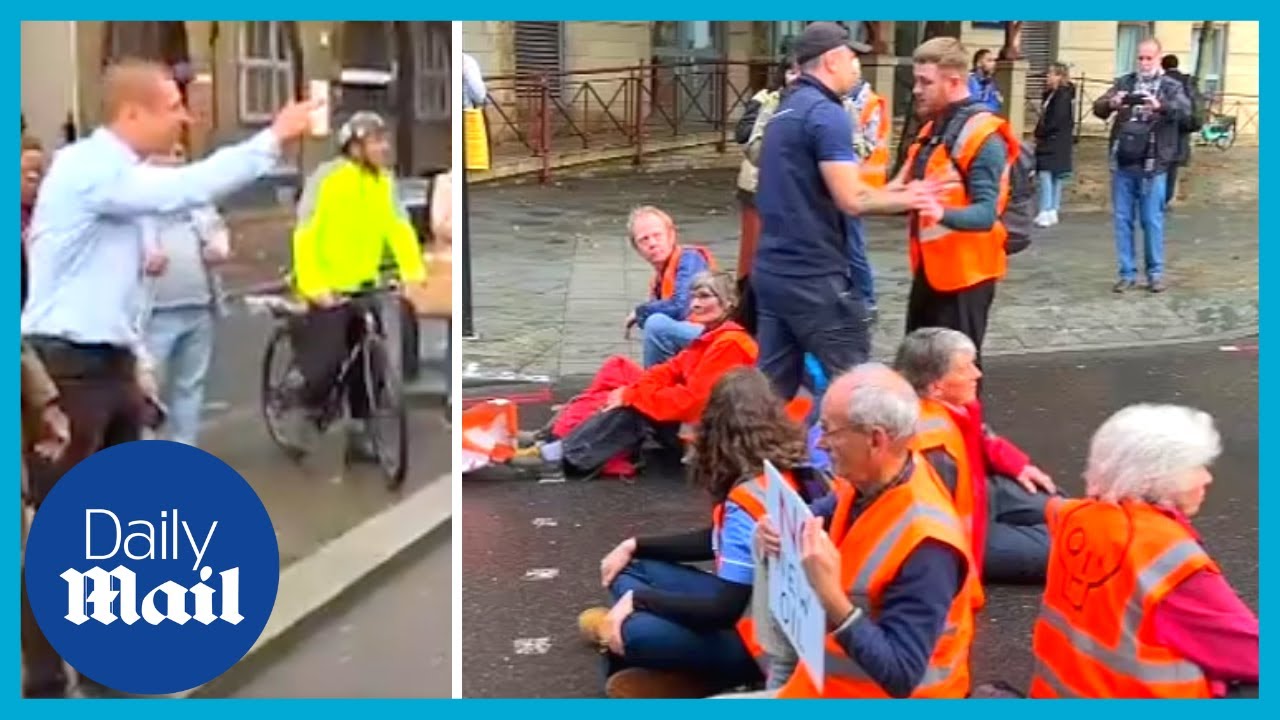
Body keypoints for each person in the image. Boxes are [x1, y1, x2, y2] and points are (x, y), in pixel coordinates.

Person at [19, 57, 317, 699]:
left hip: (109, 365)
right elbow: (185, 190)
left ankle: (105, 661)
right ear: (132, 114)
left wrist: (138, 366)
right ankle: (42, 680)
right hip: (66, 368)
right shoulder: (89, 169)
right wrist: (274, 137)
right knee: (58, 525)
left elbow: (118, 292)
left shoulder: (120, 178)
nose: (184, 117)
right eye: (171, 106)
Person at [577, 367, 830, 698]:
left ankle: (696, 673)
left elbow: (721, 610)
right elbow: (717, 538)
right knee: (629, 565)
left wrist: (638, 601)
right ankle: (643, 653)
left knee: (638, 631)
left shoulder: (746, 496)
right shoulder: (787, 469)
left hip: (760, 642)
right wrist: (635, 544)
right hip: (771, 619)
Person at [759, 363, 981, 699]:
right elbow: (834, 507)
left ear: (875, 439)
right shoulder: (877, 475)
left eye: (830, 431)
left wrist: (832, 598)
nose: (820, 444)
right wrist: (789, 525)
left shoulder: (929, 547)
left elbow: (901, 673)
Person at [752, 22, 938, 403]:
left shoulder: (784, 112)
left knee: (772, 391)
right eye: (854, 58)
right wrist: (913, 197)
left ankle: (755, 459)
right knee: (858, 392)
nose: (858, 67)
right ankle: (841, 459)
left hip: (773, 273)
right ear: (833, 60)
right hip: (815, 279)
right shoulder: (827, 113)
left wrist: (891, 190)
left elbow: (814, 192)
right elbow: (851, 200)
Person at [1029, 404, 1258, 698]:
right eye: (1195, 467)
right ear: (1157, 477)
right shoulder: (1168, 558)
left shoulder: (1076, 516)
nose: (1207, 479)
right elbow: (1249, 651)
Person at [517, 271, 755, 480]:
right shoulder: (710, 337)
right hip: (697, 425)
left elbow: (692, 402)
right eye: (693, 297)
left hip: (712, 438)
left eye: (704, 296)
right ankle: (552, 438)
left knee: (633, 408)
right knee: (622, 377)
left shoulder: (730, 344)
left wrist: (632, 396)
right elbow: (667, 370)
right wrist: (631, 391)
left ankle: (559, 456)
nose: (694, 304)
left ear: (729, 302)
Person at [289, 111, 427, 459]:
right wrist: (313, 285)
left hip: (367, 285)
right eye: (376, 141)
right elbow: (305, 233)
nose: (385, 147)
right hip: (328, 287)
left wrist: (412, 272)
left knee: (370, 362)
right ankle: (307, 412)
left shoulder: (384, 182)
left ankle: (360, 432)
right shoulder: (326, 179)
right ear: (353, 146)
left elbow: (399, 228)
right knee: (327, 362)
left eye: (385, 140)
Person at [893, 327, 1057, 587]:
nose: (977, 374)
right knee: (1072, 550)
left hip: (983, 493)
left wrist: (1018, 466)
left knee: (1070, 512)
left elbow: (982, 437)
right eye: (965, 368)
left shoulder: (954, 404)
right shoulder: (925, 444)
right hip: (969, 531)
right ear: (936, 387)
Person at [899, 36, 1020, 371]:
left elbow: (986, 213)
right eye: (917, 80)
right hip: (931, 272)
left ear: (954, 81)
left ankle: (969, 426)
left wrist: (940, 213)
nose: (916, 90)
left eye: (926, 82)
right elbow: (904, 188)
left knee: (958, 377)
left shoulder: (983, 135)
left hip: (967, 277)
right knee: (921, 371)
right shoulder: (932, 128)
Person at [138, 142, 230, 447]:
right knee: (148, 387)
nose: (173, 160)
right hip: (152, 311)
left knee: (190, 386)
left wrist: (218, 245)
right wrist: (143, 256)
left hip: (198, 305)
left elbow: (215, 226)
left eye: (178, 154)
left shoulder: (194, 196)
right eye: (167, 153)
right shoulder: (135, 198)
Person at [1092, 37, 1190, 294]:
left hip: (1153, 161)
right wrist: (1112, 103)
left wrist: (1161, 106)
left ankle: (1155, 273)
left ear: (1159, 58)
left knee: (1151, 219)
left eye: (1149, 58)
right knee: (1123, 218)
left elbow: (1187, 114)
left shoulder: (1170, 85)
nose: (1144, 63)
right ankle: (1127, 273)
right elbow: (1098, 107)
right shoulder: (1125, 82)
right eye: (1141, 58)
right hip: (1123, 159)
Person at [624, 206, 715, 368]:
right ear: (637, 249)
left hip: (717, 337)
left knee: (656, 325)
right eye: (644, 239)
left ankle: (651, 388)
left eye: (657, 235)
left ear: (671, 236)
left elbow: (681, 307)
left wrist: (640, 312)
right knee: (655, 325)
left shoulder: (690, 259)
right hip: (698, 337)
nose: (652, 243)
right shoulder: (658, 280)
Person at [843, 53, 891, 319]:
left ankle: (867, 297)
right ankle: (856, 292)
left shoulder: (869, 104)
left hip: (859, 184)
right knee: (847, 241)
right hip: (850, 181)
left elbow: (867, 146)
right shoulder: (850, 101)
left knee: (853, 244)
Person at [1033, 62, 1076, 227]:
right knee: (1055, 175)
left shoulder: (1061, 96)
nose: (1047, 77)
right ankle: (1052, 209)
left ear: (1060, 76)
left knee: (1046, 173)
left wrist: (1041, 132)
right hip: (1058, 140)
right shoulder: (1053, 94)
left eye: (1051, 74)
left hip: (1053, 140)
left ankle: (1046, 209)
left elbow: (1055, 119)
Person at [1160, 54, 1200, 209]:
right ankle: (1167, 198)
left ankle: (1157, 197)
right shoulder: (1188, 82)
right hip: (1182, 130)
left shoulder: (1162, 81)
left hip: (1165, 128)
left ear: (1163, 65)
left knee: (1160, 164)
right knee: (1173, 167)